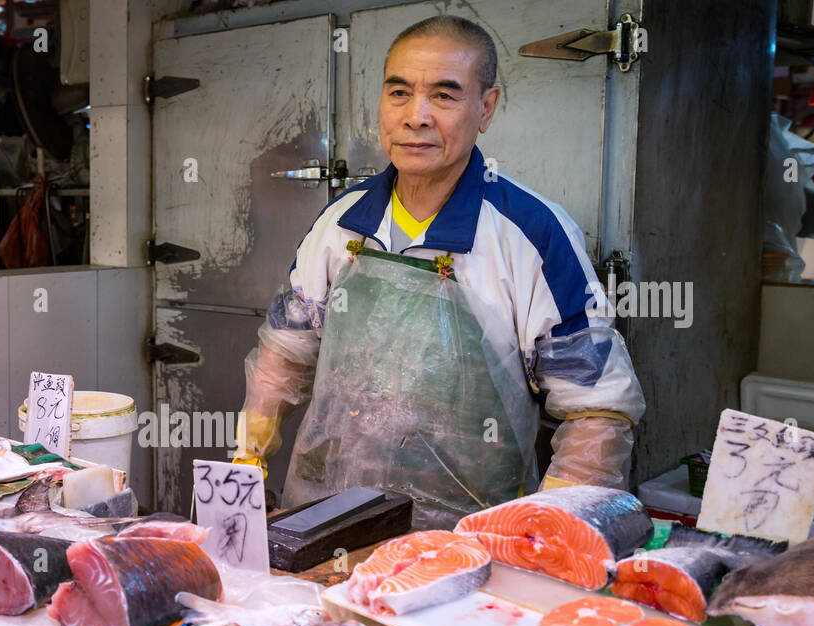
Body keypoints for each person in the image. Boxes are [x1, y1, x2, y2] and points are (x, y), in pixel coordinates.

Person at [232, 15, 645, 523]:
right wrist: (247, 463)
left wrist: (546, 533)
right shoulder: (341, 222)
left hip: (471, 542)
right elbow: (284, 354)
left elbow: (596, 409)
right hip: (322, 520)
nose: (416, 116)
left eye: (445, 96)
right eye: (399, 93)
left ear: (486, 107)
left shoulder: (532, 233)